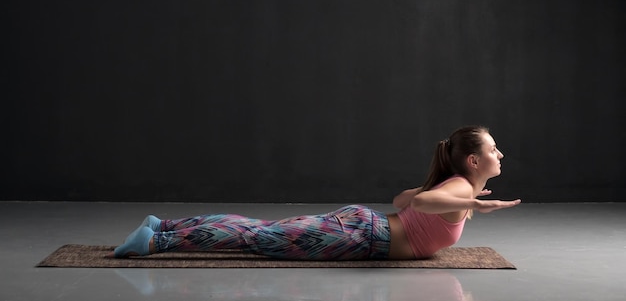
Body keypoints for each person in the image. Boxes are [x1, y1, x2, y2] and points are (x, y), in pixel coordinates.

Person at [113, 125, 521, 260]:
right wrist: (474, 203)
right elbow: (416, 203)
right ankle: (155, 241)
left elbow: (401, 201)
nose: (499, 153)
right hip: (362, 235)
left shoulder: (455, 187)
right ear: (471, 161)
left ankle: (162, 225)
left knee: (258, 230)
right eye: (492, 149)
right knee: (256, 238)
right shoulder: (461, 189)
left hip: (364, 225)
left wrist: (457, 199)